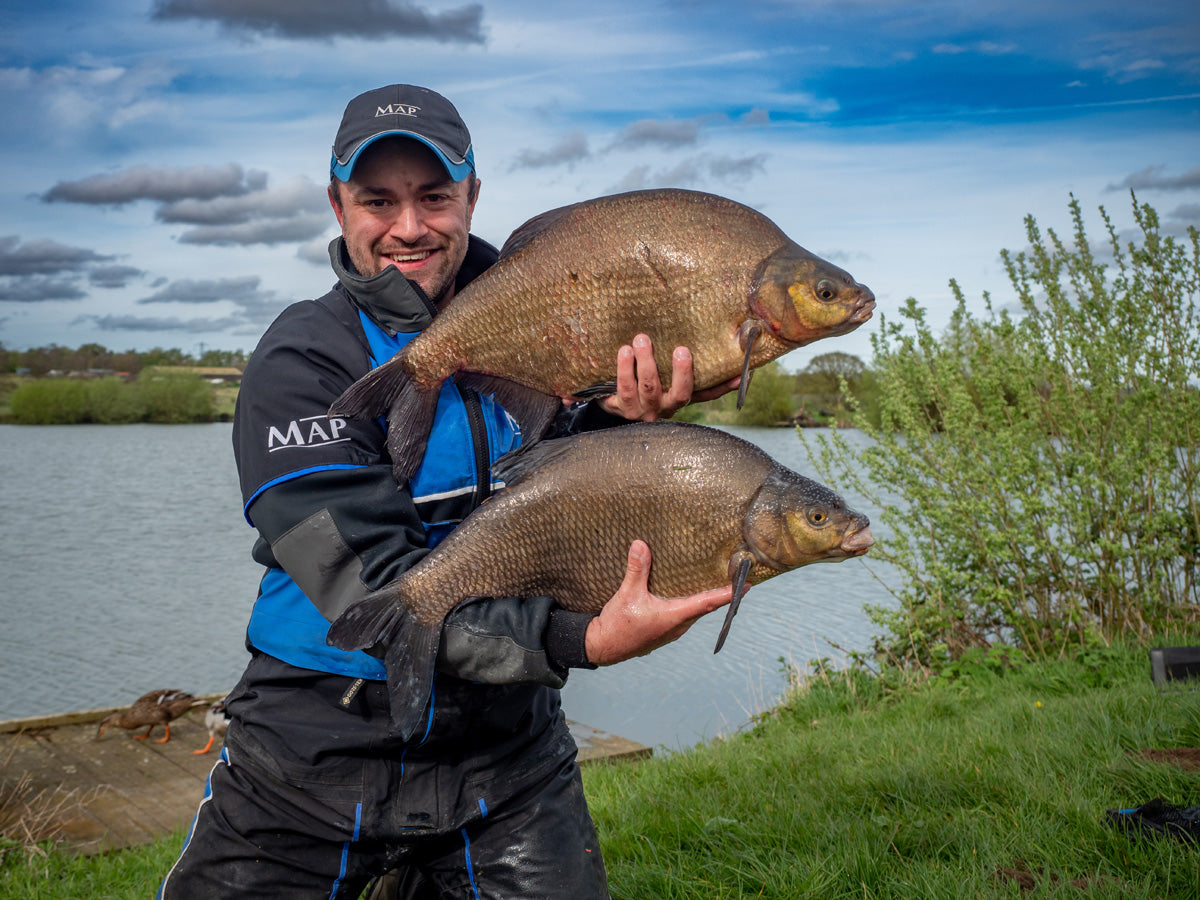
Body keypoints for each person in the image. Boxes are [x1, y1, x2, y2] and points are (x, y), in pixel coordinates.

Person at [158, 84, 736, 899]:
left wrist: (615, 423)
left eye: (434, 197)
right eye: (377, 200)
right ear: (336, 204)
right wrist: (580, 641)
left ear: (472, 194)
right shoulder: (301, 360)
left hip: (507, 757)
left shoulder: (560, 320)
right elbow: (373, 592)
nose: (408, 227)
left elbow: (568, 512)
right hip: (312, 748)